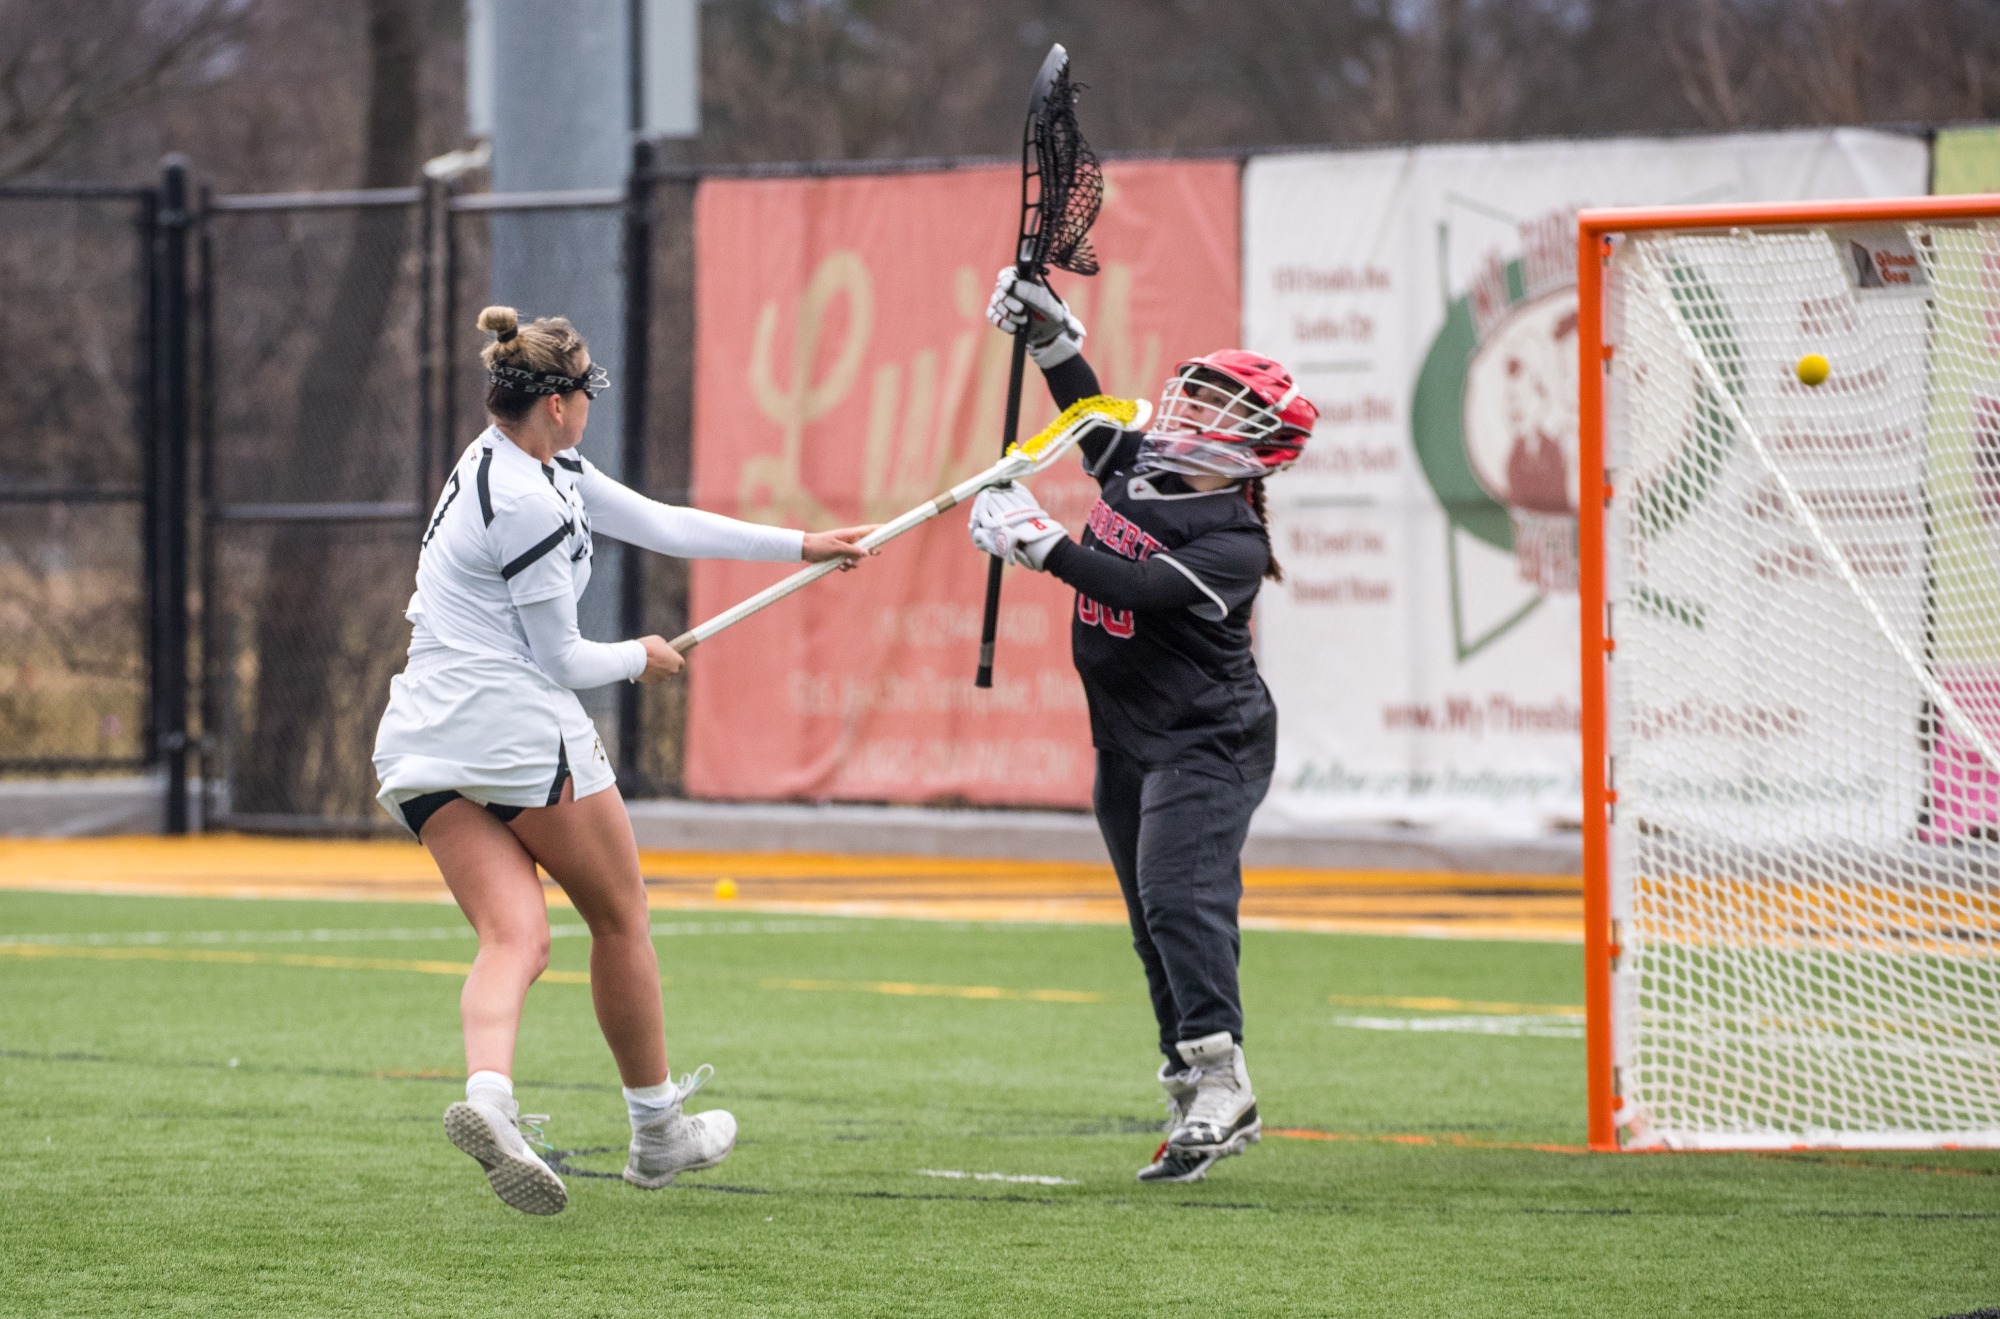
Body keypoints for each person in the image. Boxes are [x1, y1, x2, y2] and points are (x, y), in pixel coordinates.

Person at [374, 306, 874, 1214]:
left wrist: (800, 544)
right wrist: (637, 655)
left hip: (423, 737)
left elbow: (662, 522)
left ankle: (489, 1095)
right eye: (586, 391)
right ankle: (655, 1129)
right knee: (620, 915)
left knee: (514, 936)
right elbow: (564, 660)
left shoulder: (521, 461)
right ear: (560, 404)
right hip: (513, 729)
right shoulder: (527, 499)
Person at [969, 270, 1317, 1184]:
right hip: (1127, 734)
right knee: (1148, 918)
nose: (1192, 405)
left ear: (1256, 443)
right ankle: (1190, 1077)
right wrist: (1049, 334)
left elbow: (1136, 587)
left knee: (1178, 897)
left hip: (1209, 738)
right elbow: (1085, 414)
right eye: (1198, 389)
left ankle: (1221, 1073)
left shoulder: (1234, 540)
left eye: (1218, 402)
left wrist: (1039, 542)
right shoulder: (1144, 465)